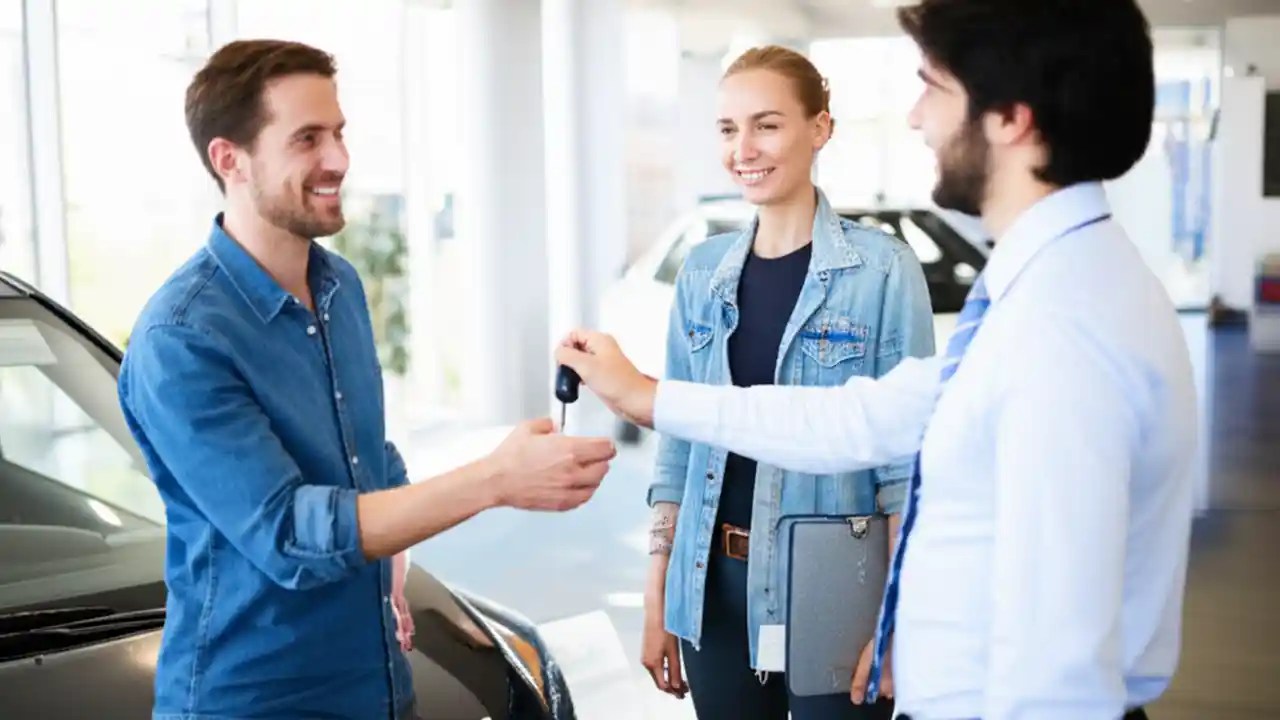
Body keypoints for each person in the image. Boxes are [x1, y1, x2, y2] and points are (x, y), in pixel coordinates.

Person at [557, 2, 1195, 719]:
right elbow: (860, 419)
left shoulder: (1064, 330)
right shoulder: (1046, 290)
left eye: (933, 87)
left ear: (1010, 116)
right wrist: (648, 397)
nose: (916, 117)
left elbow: (1056, 671)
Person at [119, 39, 615, 720]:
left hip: (378, 686)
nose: (340, 160)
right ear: (229, 159)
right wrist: (497, 478)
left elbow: (367, 459)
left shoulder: (339, 288)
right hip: (256, 703)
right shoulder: (180, 339)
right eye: (308, 139)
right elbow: (290, 535)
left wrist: (396, 555)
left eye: (340, 133)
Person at [640, 45, 933, 720]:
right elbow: (677, 448)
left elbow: (906, 466)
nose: (743, 148)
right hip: (710, 586)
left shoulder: (883, 271)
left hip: (837, 585)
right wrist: (659, 592)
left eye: (766, 125)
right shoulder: (702, 273)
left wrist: (896, 618)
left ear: (819, 129)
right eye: (727, 129)